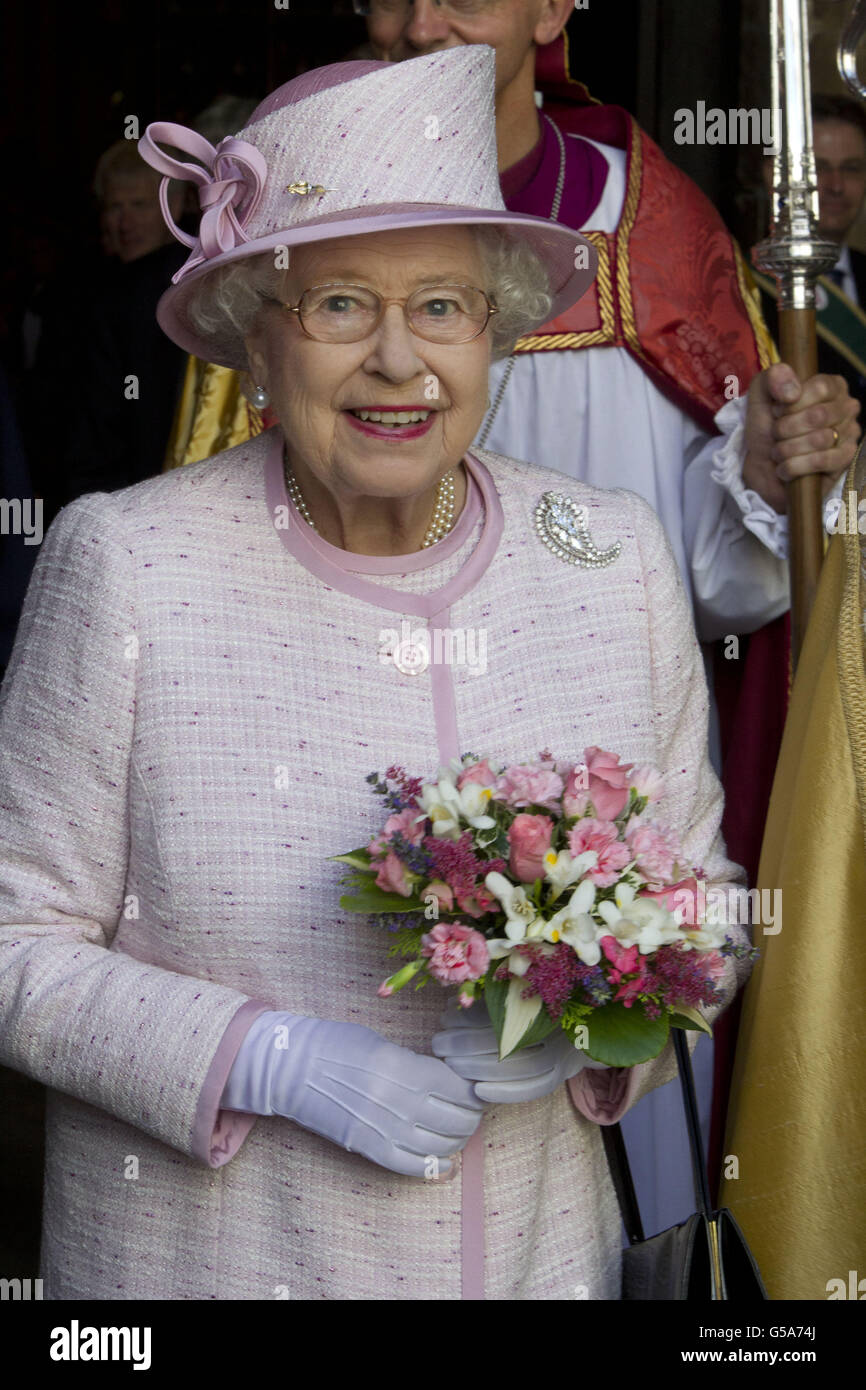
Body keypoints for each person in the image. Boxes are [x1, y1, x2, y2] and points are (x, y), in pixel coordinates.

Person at [0, 46, 752, 1301]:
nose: (400, 361)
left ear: (497, 328)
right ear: (254, 336)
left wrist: (597, 1021)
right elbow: (15, 936)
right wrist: (263, 1058)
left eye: (444, 307)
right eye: (340, 303)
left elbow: (705, 905)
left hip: (527, 1264)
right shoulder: (129, 564)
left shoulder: (608, 557)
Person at [756, 93, 866, 413]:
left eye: (852, 168)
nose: (835, 185)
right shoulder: (738, 285)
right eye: (817, 167)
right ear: (772, 175)